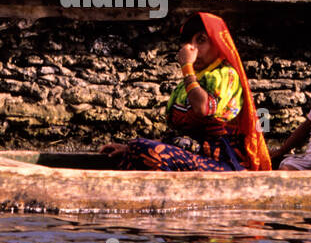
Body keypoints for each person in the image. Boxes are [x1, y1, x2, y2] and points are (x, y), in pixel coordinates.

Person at [100, 12, 271, 172]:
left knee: (147, 151)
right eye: (188, 42)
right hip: (194, 153)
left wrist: (187, 68)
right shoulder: (189, 84)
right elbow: (181, 135)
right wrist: (127, 147)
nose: (192, 48)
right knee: (131, 151)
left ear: (218, 45)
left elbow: (203, 108)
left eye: (201, 40)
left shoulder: (226, 75)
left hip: (221, 161)